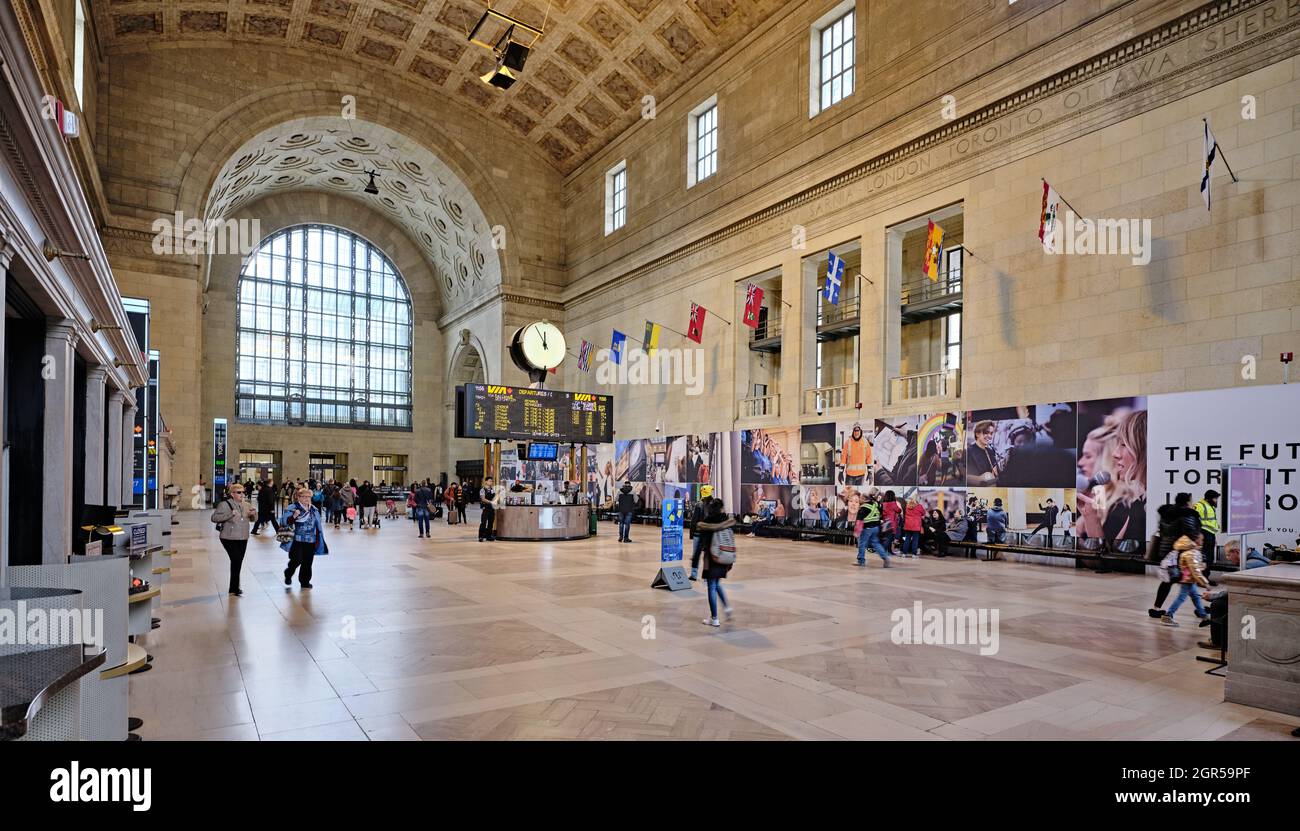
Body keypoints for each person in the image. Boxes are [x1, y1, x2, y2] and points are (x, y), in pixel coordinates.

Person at [1148, 492, 1201, 619]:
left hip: (1167, 552)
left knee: (1169, 581)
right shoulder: (1188, 515)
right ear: (1187, 502)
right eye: (1191, 500)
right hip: (1181, 553)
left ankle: (1156, 608)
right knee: (1187, 581)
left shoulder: (1166, 514)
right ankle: (1198, 611)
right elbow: (1191, 534)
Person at [210, 482, 257, 596]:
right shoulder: (224, 504)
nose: (242, 494)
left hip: (243, 537)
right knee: (236, 560)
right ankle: (235, 587)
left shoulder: (246, 505)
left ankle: (233, 587)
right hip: (228, 537)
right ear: (232, 494)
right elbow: (214, 518)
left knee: (238, 561)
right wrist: (230, 514)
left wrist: (254, 514)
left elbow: (253, 520)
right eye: (239, 492)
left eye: (243, 492)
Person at [695, 499, 736, 627]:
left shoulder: (706, 523)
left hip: (712, 558)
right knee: (717, 583)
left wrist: (694, 563)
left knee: (712, 586)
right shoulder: (726, 521)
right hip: (724, 557)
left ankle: (714, 618)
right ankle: (727, 608)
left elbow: (700, 544)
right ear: (722, 508)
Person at [280, 486, 327, 589]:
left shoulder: (314, 509)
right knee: (296, 560)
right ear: (298, 497)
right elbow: (283, 522)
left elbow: (317, 525)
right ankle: (288, 573)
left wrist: (319, 539)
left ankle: (305, 582)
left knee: (307, 562)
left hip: (311, 540)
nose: (307, 499)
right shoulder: (292, 508)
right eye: (304, 496)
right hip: (297, 540)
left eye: (309, 497)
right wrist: (293, 517)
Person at [1161, 535, 1209, 627]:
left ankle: (1204, 617)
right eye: (1201, 539)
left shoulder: (1191, 550)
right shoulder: (1191, 553)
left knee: (1195, 597)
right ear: (1195, 540)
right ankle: (1168, 615)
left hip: (1190, 580)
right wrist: (1205, 583)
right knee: (1181, 598)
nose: (1203, 541)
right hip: (1187, 580)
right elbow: (1194, 569)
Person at [854, 490, 890, 567]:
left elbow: (859, 521)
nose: (859, 500)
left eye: (860, 498)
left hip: (867, 529)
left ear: (864, 499)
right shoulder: (875, 505)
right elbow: (881, 513)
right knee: (876, 543)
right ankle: (885, 558)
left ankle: (861, 561)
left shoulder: (863, 507)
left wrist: (857, 532)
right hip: (876, 528)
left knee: (862, 544)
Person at [688, 484, 714, 581]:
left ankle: (694, 575)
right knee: (707, 555)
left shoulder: (699, 505)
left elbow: (694, 521)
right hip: (709, 535)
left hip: (698, 534)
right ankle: (707, 576)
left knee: (696, 554)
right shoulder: (713, 505)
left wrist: (691, 533)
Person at [1195, 489, 1220, 562]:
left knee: (1210, 556)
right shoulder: (1199, 506)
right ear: (1209, 499)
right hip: (1204, 533)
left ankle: (1207, 570)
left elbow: (1209, 520)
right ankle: (1205, 571)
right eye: (1215, 498)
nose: (1216, 501)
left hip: (1210, 533)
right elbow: (1195, 520)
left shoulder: (1209, 506)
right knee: (1206, 556)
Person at [880, 490, 902, 554]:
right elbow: (899, 510)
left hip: (885, 522)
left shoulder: (883, 504)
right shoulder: (893, 503)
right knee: (890, 538)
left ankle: (889, 551)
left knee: (887, 537)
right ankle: (883, 551)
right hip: (892, 523)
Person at [478, 477, 499, 542]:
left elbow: (495, 496)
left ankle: (489, 536)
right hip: (485, 507)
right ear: (486, 482)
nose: (491, 482)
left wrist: (496, 499)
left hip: (492, 508)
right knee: (483, 522)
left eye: (492, 481)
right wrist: (491, 502)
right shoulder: (483, 489)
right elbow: (483, 499)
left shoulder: (492, 489)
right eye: (490, 481)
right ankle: (481, 536)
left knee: (491, 522)